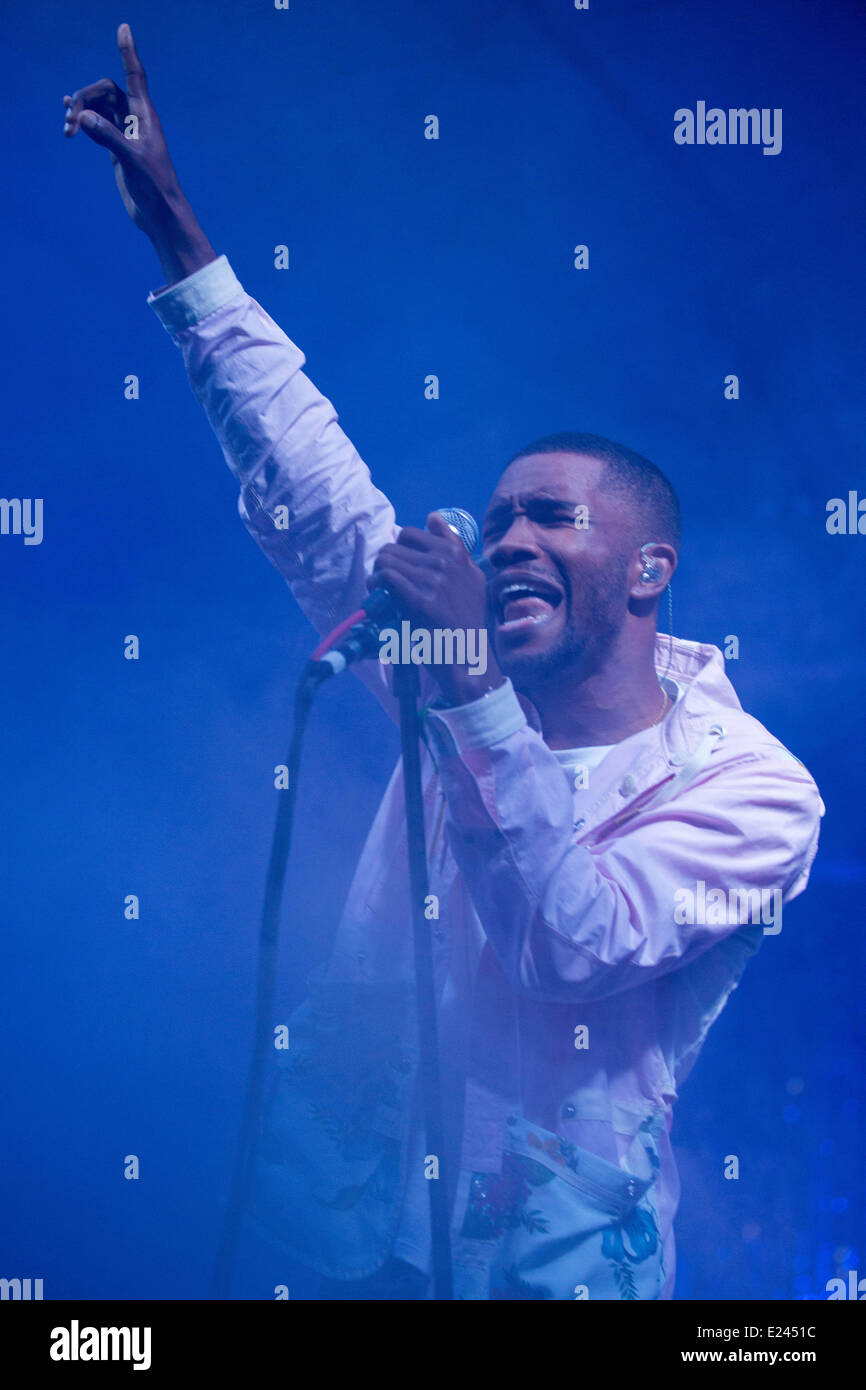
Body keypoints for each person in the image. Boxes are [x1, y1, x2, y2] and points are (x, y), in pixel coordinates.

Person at [64, 25, 824, 1301]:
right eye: (497, 518)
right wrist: (179, 246)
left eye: (554, 519)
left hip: (549, 1269)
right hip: (345, 1242)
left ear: (650, 569)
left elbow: (566, 943)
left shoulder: (759, 793)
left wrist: (468, 682)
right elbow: (313, 485)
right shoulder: (450, 674)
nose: (510, 538)